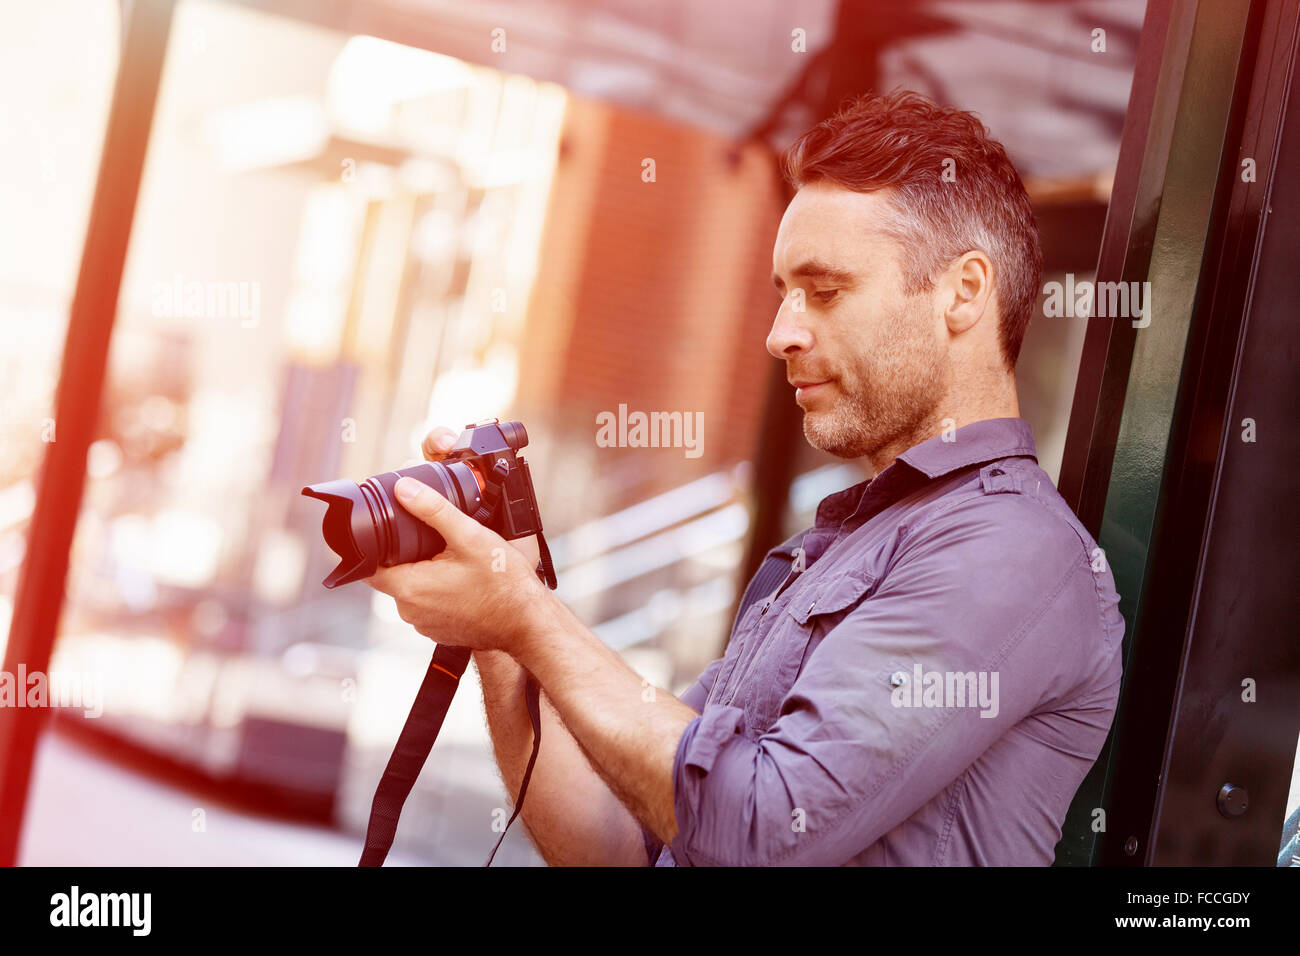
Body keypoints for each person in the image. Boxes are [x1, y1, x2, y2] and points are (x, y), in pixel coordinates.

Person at [366, 89, 1124, 866]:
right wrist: (499, 631)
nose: (780, 333)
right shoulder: (849, 545)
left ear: (962, 292)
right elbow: (618, 842)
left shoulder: (1009, 552)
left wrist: (528, 617)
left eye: (825, 292)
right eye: (784, 295)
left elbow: (761, 829)